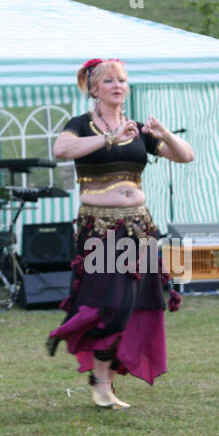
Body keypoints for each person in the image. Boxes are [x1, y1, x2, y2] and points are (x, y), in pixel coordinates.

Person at [47, 59, 193, 408]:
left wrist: (163, 133)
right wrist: (109, 140)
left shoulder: (138, 129)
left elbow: (185, 156)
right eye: (109, 80)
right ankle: (98, 378)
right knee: (108, 302)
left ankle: (106, 383)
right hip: (100, 228)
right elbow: (61, 150)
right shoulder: (81, 125)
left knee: (136, 304)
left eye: (122, 80)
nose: (117, 85)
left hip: (138, 226)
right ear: (94, 88)